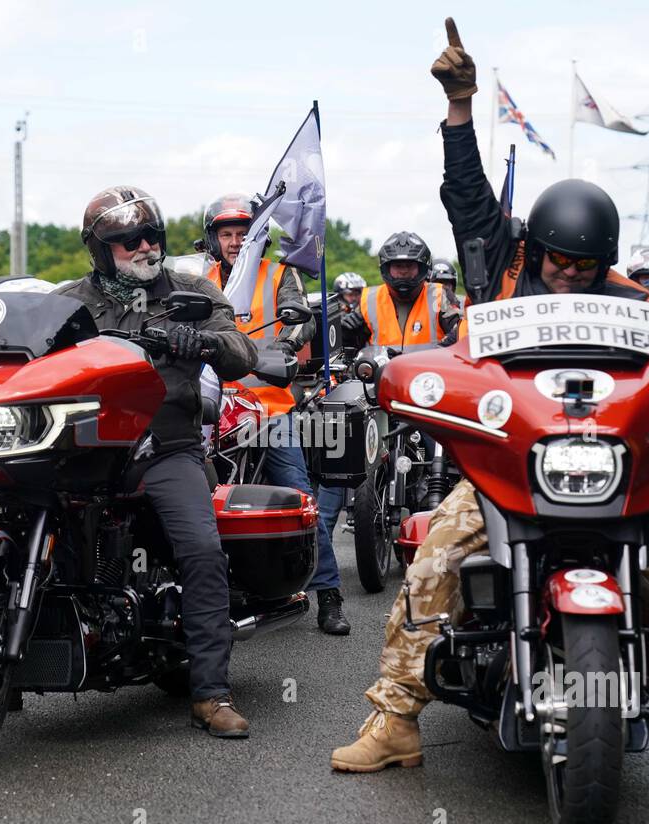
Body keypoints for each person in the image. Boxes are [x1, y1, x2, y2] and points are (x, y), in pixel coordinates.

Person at [330, 18, 649, 797]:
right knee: (434, 561)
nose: (569, 275)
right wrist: (461, 108)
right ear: (534, 249)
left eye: (585, 264)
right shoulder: (503, 267)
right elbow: (467, 202)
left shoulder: (634, 300)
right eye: (558, 260)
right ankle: (395, 721)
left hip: (613, 472)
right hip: (510, 469)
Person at [63, 185, 258, 737]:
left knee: (200, 550)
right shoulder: (67, 301)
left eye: (151, 236)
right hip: (82, 445)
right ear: (101, 249)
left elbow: (240, 351)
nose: (144, 246)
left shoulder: (191, 290)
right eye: (128, 240)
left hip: (163, 443)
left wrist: (197, 341)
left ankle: (211, 693)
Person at [202, 192, 351, 635]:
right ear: (213, 240)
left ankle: (329, 594)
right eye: (226, 234)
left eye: (242, 233)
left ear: (257, 238)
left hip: (267, 406)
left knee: (297, 491)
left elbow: (300, 318)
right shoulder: (198, 278)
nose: (234, 241)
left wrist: (284, 346)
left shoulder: (278, 274)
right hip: (210, 408)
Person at [356, 232, 463, 348]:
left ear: (422, 268)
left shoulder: (439, 295)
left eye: (409, 265)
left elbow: (461, 330)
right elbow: (350, 348)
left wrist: (440, 350)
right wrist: (346, 333)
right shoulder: (369, 299)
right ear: (386, 268)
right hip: (382, 366)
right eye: (398, 266)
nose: (403, 271)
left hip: (431, 365)